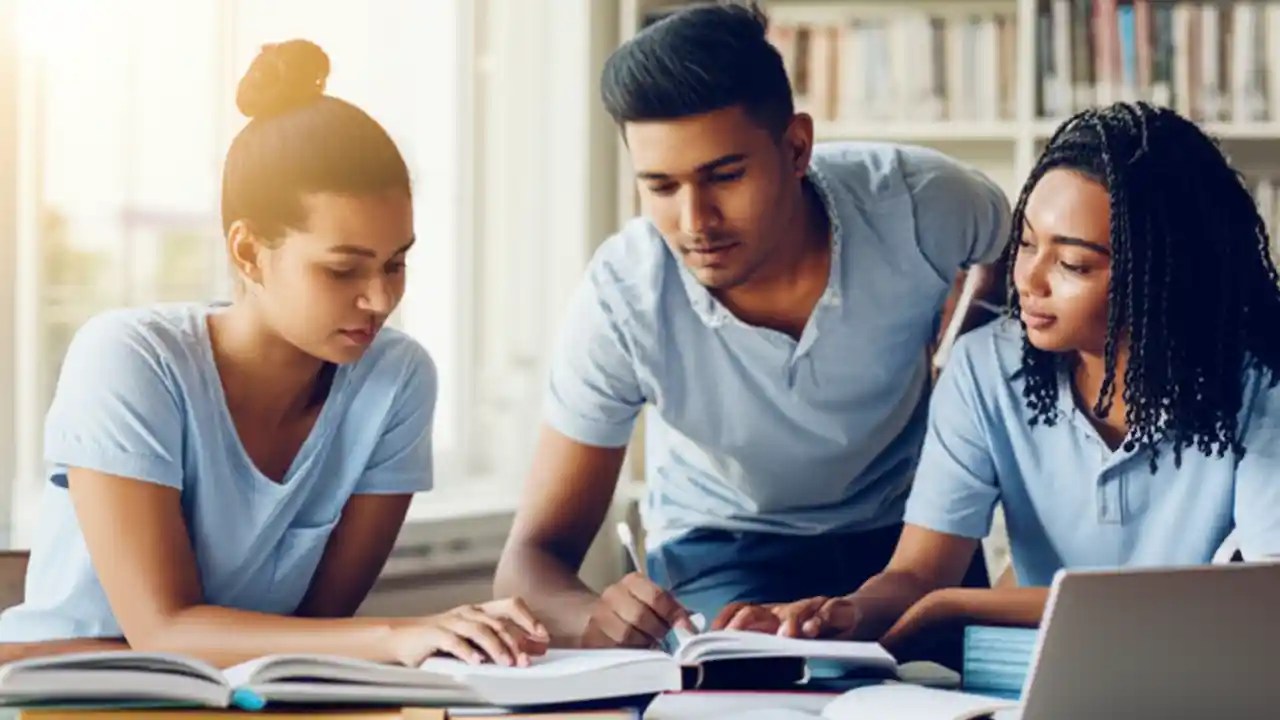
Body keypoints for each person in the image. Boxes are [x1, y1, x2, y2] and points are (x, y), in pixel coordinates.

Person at [0, 40, 548, 668]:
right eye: (343, 270)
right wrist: (402, 635)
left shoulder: (397, 381)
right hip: (65, 696)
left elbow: (317, 636)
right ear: (247, 251)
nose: (380, 299)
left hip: (249, 703)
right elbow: (164, 631)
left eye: (396, 263)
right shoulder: (128, 360)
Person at [495, 2, 1008, 648]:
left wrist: (958, 370)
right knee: (748, 686)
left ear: (796, 147)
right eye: (660, 186)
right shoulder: (622, 298)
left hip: (912, 530)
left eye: (725, 176)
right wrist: (594, 616)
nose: (694, 221)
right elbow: (530, 560)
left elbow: (1012, 252)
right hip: (725, 546)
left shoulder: (924, 204)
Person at [716, 102, 1280, 660]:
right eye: (1027, 243)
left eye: (1074, 265)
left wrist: (956, 607)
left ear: (1165, 277)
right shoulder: (985, 370)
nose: (1028, 280)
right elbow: (919, 573)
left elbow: (1260, 600)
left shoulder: (1258, 388)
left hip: (1203, 676)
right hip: (1041, 679)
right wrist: (843, 611)